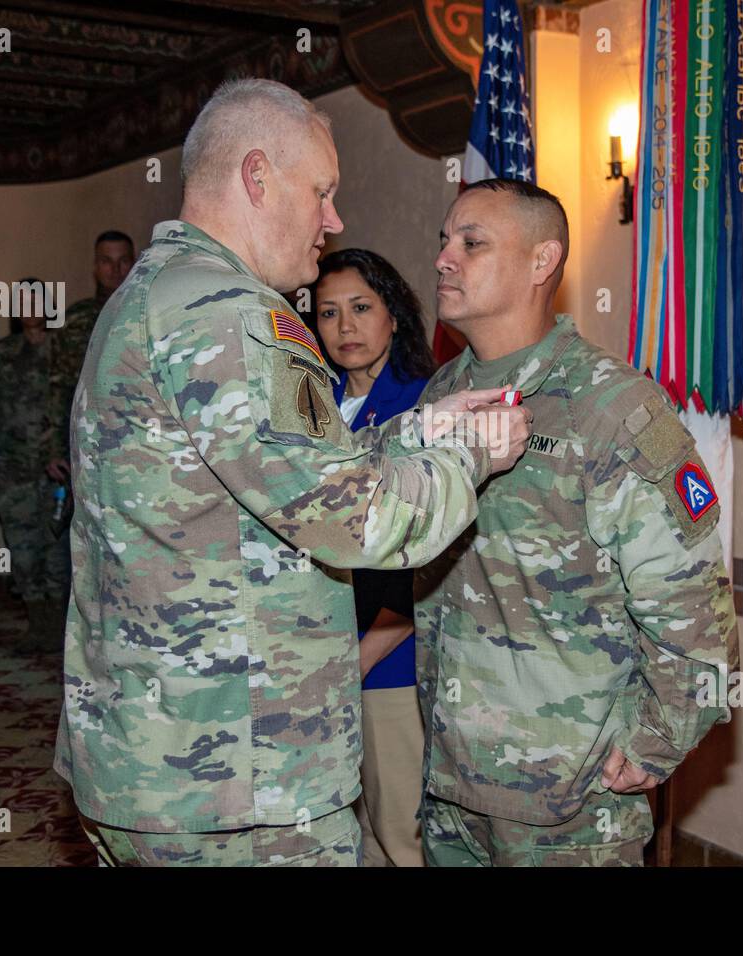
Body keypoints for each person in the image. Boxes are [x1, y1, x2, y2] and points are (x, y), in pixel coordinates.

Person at [54, 77, 531, 868]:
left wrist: (419, 426)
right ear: (256, 177)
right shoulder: (233, 317)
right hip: (236, 777)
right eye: (323, 192)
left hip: (158, 755)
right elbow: (361, 520)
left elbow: (260, 477)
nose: (334, 220)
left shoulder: (154, 292)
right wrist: (471, 451)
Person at [410, 179, 737, 866]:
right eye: (444, 241)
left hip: (568, 803)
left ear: (541, 262)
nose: (444, 258)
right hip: (451, 782)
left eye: (471, 243)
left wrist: (655, 740)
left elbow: (693, 602)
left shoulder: (611, 409)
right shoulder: (443, 395)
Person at [314, 248, 435, 867]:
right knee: (343, 834)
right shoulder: (309, 406)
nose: (345, 327)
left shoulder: (425, 405)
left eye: (362, 308)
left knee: (401, 830)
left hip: (389, 658)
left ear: (395, 315)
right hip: (315, 657)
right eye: (328, 313)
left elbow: (433, 563)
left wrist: (357, 660)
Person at [0, 280, 71, 653]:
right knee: (23, 549)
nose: (30, 308)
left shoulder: (66, 350)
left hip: (60, 472)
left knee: (58, 550)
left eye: (38, 300)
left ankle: (61, 626)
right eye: (23, 302)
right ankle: (37, 623)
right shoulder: (3, 353)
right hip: (14, 469)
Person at [45, 230, 136, 493]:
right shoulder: (74, 320)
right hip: (86, 446)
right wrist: (54, 448)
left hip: (140, 444)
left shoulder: (150, 310)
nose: (115, 269)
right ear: (96, 267)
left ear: (135, 262)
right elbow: (57, 387)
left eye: (123, 260)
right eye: (106, 261)